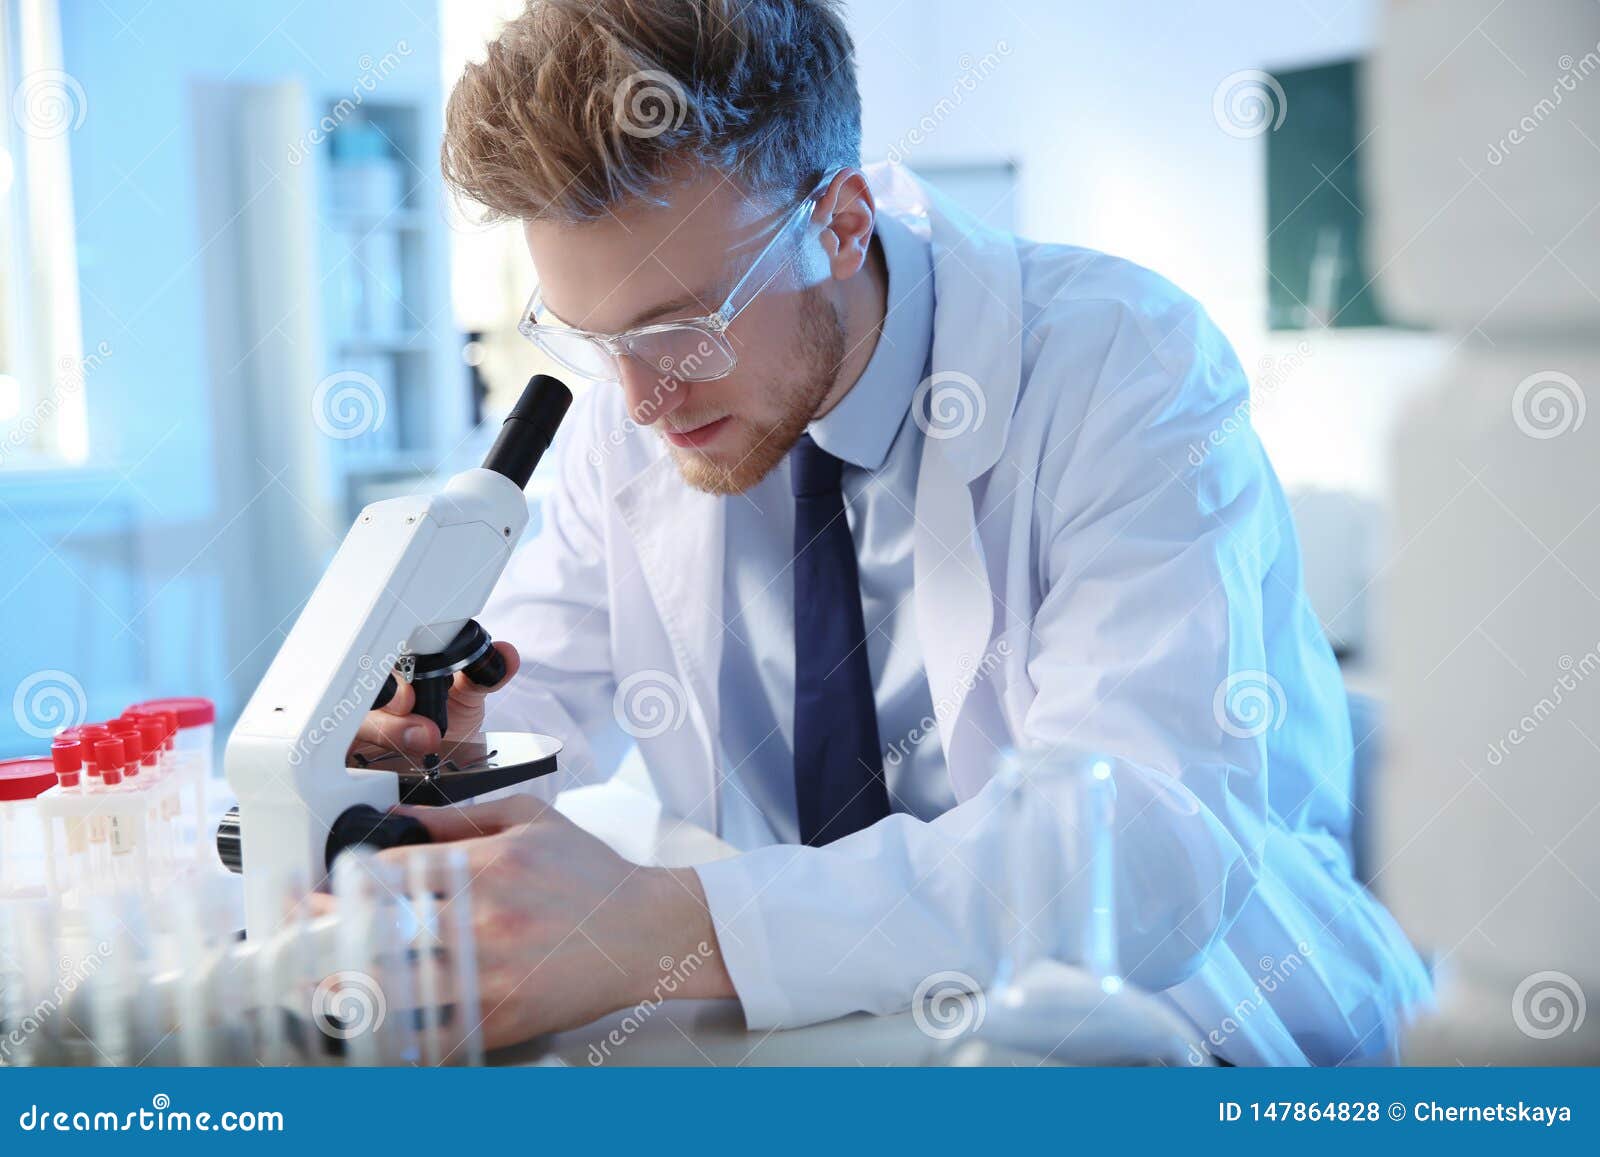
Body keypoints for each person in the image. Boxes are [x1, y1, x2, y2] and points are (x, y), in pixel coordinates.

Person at [355, 0, 1431, 1063]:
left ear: (839, 223)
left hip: (1192, 1020)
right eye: (596, 338)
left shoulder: (1121, 364)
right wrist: (452, 749)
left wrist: (678, 927)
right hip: (837, 1031)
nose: (641, 399)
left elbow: (1144, 850)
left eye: (682, 326)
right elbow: (539, 681)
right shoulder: (630, 417)